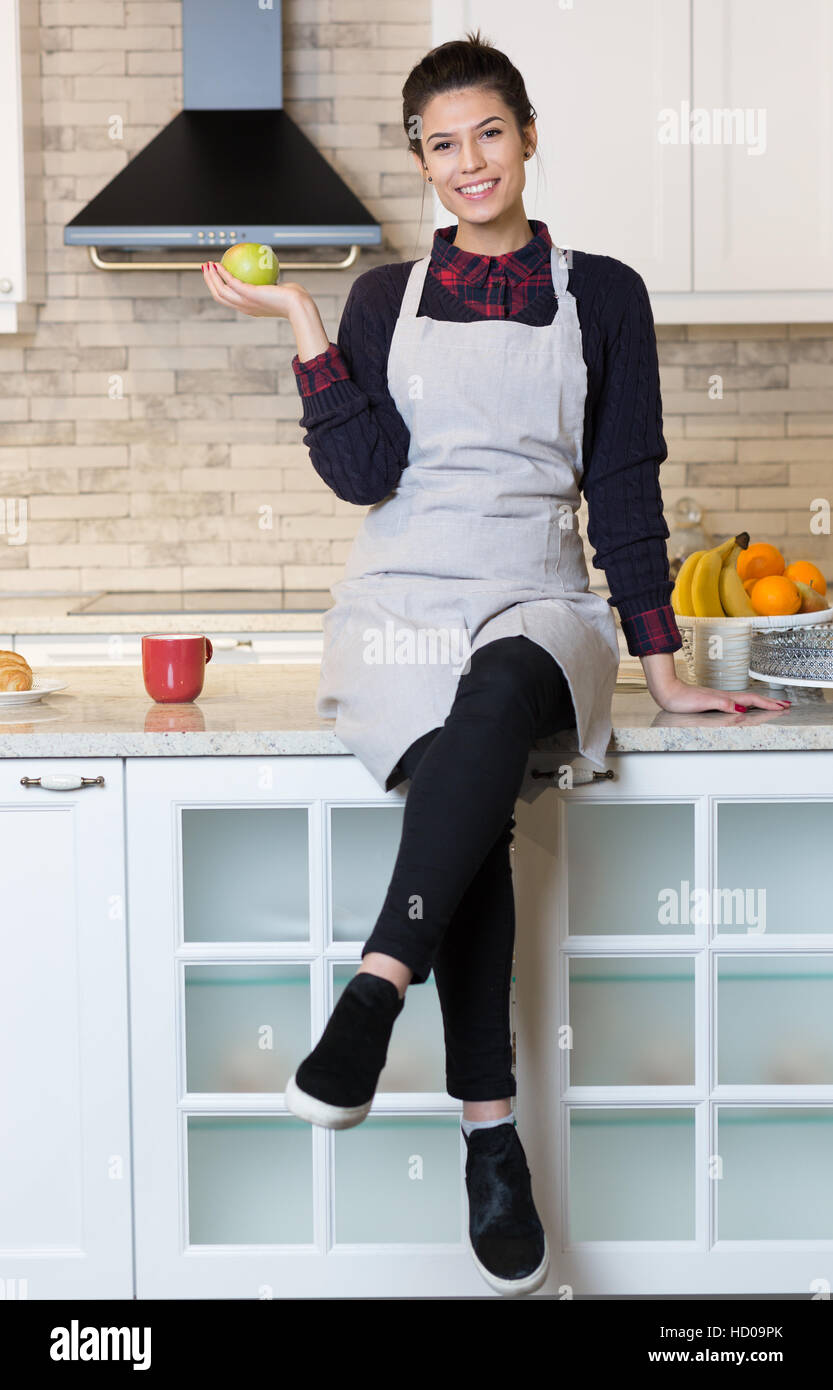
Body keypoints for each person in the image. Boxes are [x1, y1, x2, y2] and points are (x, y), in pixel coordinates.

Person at [202, 30, 791, 1298]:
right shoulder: (378, 299)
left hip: (536, 588)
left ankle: (372, 993)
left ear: (525, 134)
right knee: (461, 804)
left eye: (486, 133)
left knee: (501, 691)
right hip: (402, 598)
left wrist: (662, 667)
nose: (467, 162)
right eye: (439, 144)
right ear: (417, 162)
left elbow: (624, 487)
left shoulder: (604, 292)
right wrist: (301, 321)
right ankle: (490, 1139)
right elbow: (365, 477)